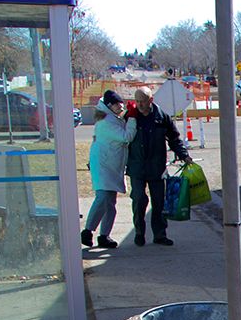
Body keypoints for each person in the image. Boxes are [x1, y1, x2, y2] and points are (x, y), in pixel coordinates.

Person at [125, 86, 192, 246]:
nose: (140, 105)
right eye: (137, 101)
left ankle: (160, 234)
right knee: (139, 199)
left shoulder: (162, 117)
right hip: (137, 167)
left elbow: (174, 139)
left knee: (159, 202)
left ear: (151, 100)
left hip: (157, 167)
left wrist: (184, 155)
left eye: (143, 101)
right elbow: (120, 139)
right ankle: (139, 232)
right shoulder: (130, 117)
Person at [81, 90, 137, 249]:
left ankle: (104, 235)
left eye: (121, 103)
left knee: (110, 202)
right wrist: (132, 118)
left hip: (110, 165)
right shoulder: (106, 122)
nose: (121, 106)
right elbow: (126, 137)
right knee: (103, 198)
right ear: (108, 106)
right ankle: (88, 231)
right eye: (117, 104)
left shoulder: (111, 118)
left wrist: (128, 116)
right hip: (104, 166)